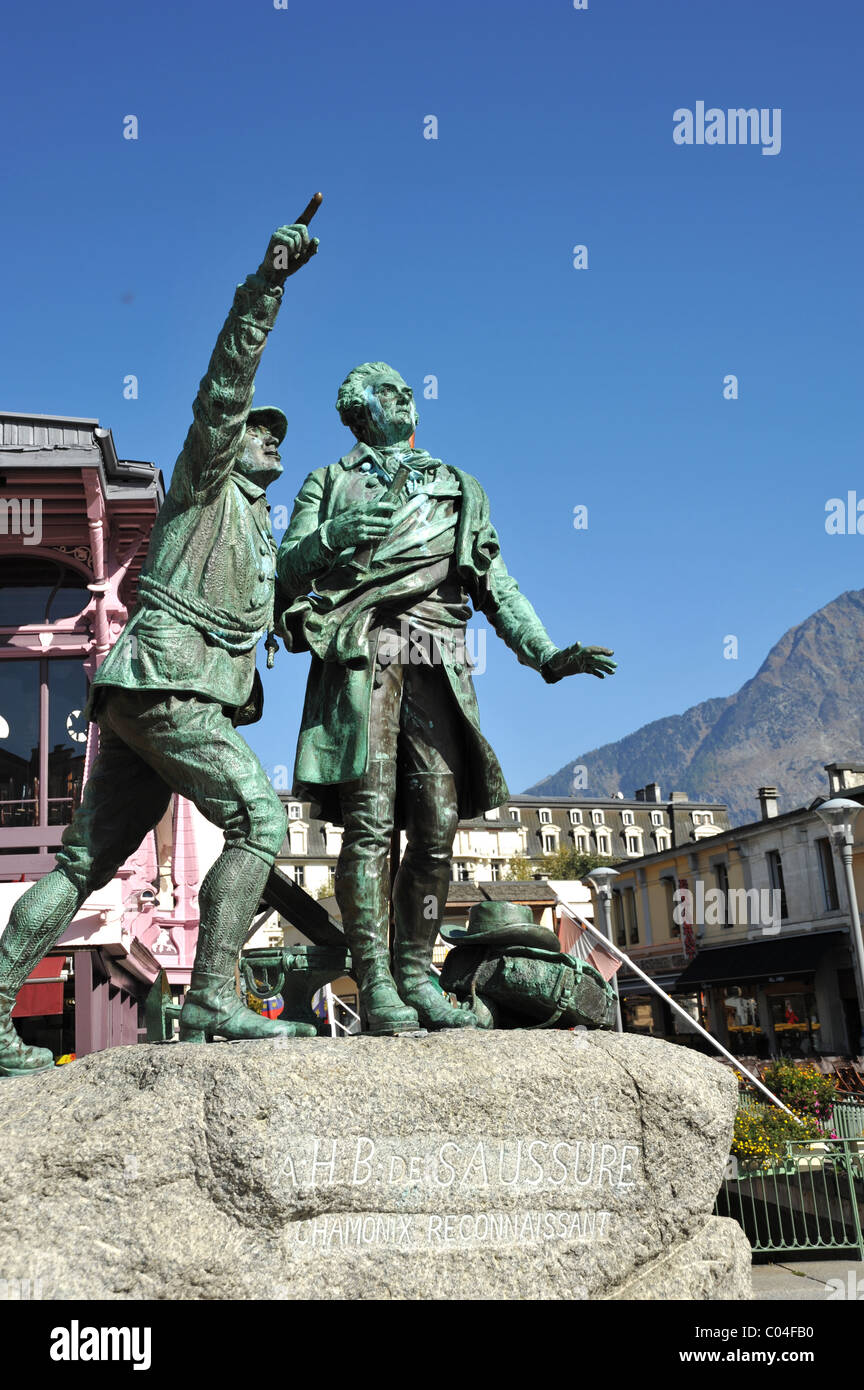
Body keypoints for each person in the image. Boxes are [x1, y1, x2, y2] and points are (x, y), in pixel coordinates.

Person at [0, 219, 320, 1077]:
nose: (273, 440)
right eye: (264, 430)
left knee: (81, 864)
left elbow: (285, 594)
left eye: (277, 435)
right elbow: (224, 384)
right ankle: (216, 991)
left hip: (148, 696)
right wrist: (268, 286)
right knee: (258, 820)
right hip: (166, 683)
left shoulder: (256, 530)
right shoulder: (206, 478)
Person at [276, 361, 616, 1034]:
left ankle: (414, 973)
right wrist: (342, 532)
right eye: (391, 392)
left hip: (436, 654)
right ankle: (374, 982)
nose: (409, 400)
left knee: (435, 824)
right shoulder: (330, 483)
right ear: (359, 411)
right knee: (370, 825)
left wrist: (544, 652)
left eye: (408, 391)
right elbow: (286, 569)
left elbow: (495, 582)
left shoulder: (457, 488)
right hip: (363, 652)